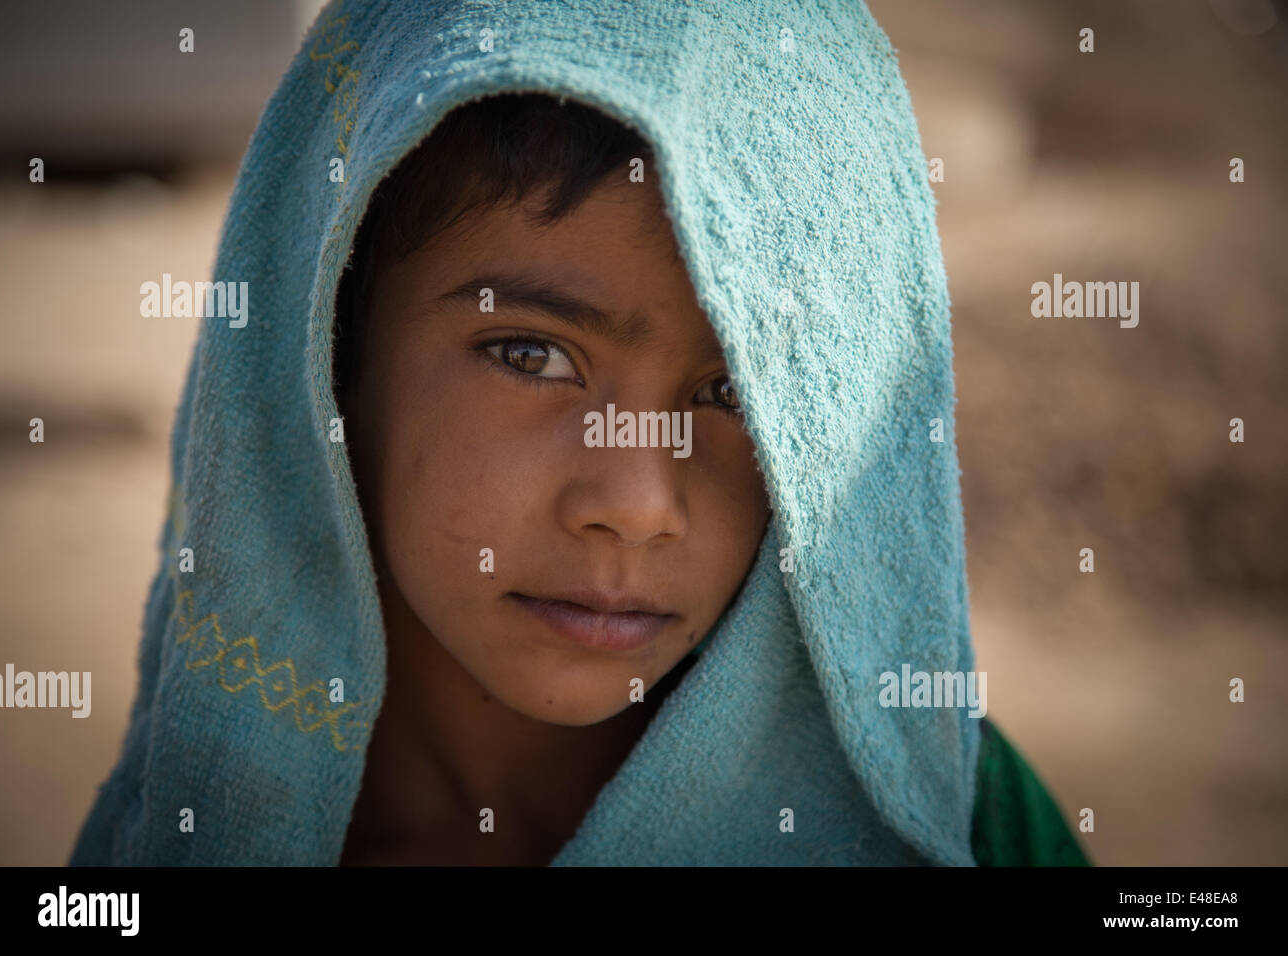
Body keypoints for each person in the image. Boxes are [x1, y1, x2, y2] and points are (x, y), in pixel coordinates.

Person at [70, 0, 1088, 866]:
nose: (636, 507)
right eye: (530, 355)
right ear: (326, 345)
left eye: (739, 393)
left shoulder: (952, 820)